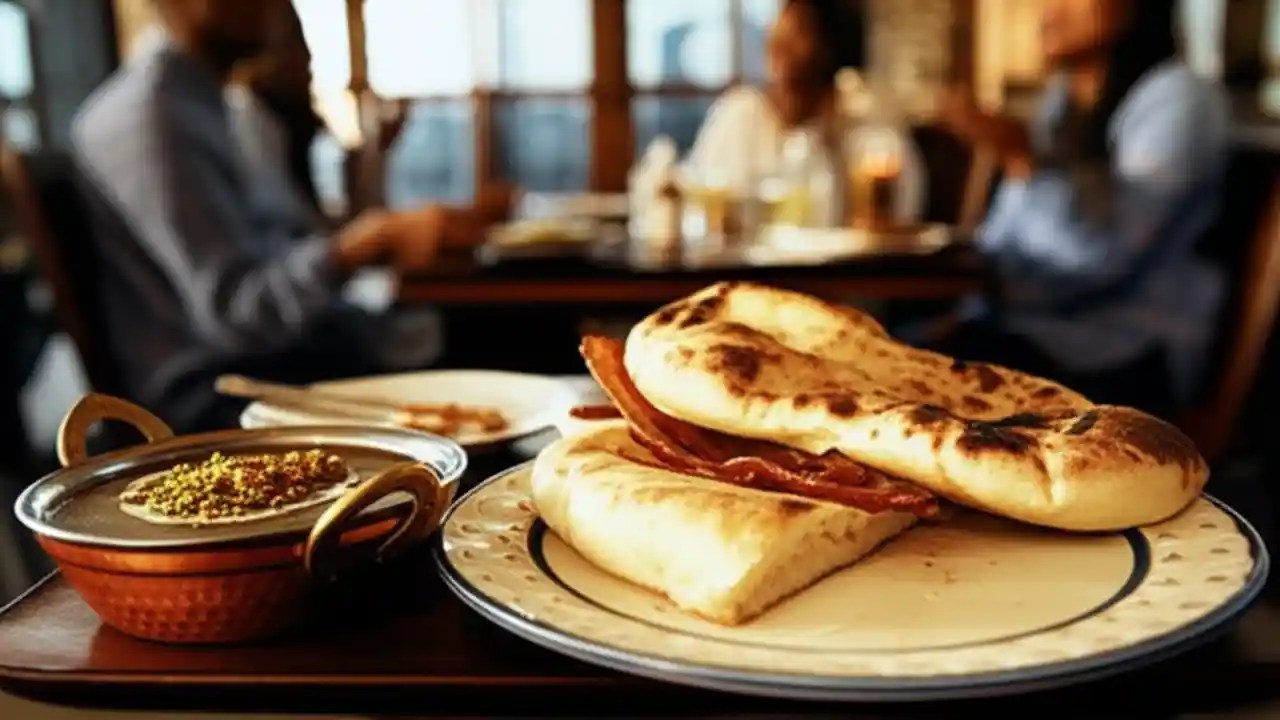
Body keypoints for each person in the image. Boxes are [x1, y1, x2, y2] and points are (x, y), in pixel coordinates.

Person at [71, 0, 450, 433]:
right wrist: (359, 247)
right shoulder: (152, 117)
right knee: (481, 351)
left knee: (464, 340)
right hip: (218, 402)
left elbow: (288, 246)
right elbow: (238, 316)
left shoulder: (219, 107)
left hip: (280, 363)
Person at [929, 0, 1230, 416]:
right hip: (1039, 331)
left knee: (935, 370)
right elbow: (1002, 249)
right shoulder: (1062, 102)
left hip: (1128, 351)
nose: (1048, 7)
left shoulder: (1178, 99)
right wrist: (970, 309)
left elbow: (1102, 263)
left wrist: (1023, 161)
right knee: (904, 348)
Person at [685, 0, 924, 222]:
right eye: (780, 29)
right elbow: (702, 209)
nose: (782, 43)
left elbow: (902, 209)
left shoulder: (865, 124)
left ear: (830, 49)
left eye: (800, 30)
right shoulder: (739, 116)